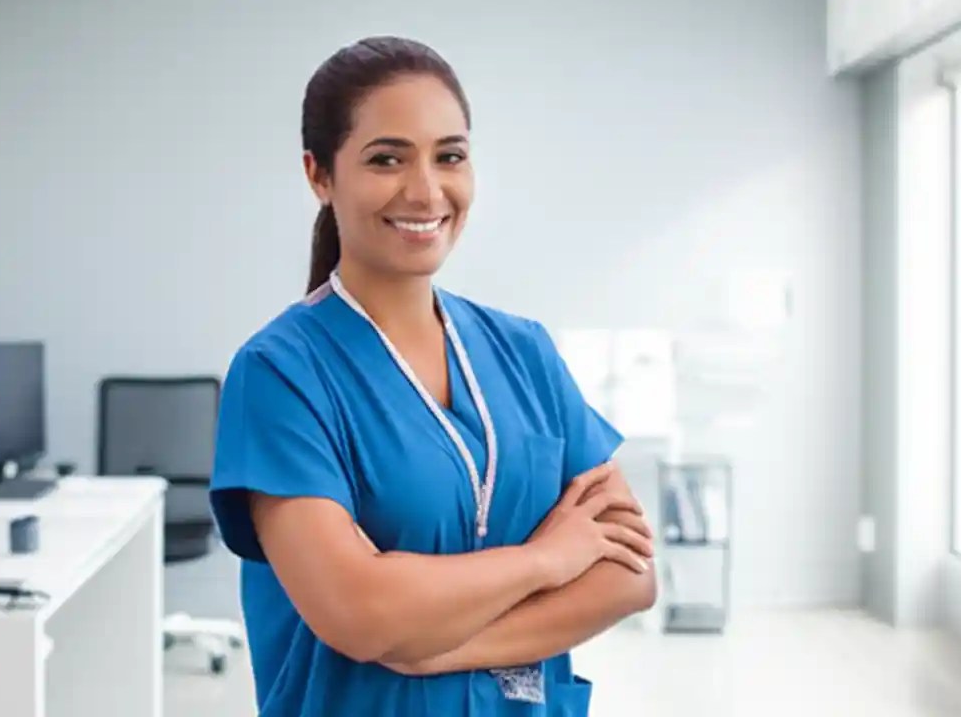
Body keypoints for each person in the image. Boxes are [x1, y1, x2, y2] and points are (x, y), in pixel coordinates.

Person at [210, 35, 656, 717]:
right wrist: (547, 559)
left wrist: (434, 649)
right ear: (319, 175)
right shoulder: (280, 374)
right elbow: (359, 612)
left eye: (449, 156)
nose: (425, 191)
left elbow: (629, 574)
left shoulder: (524, 353)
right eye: (386, 159)